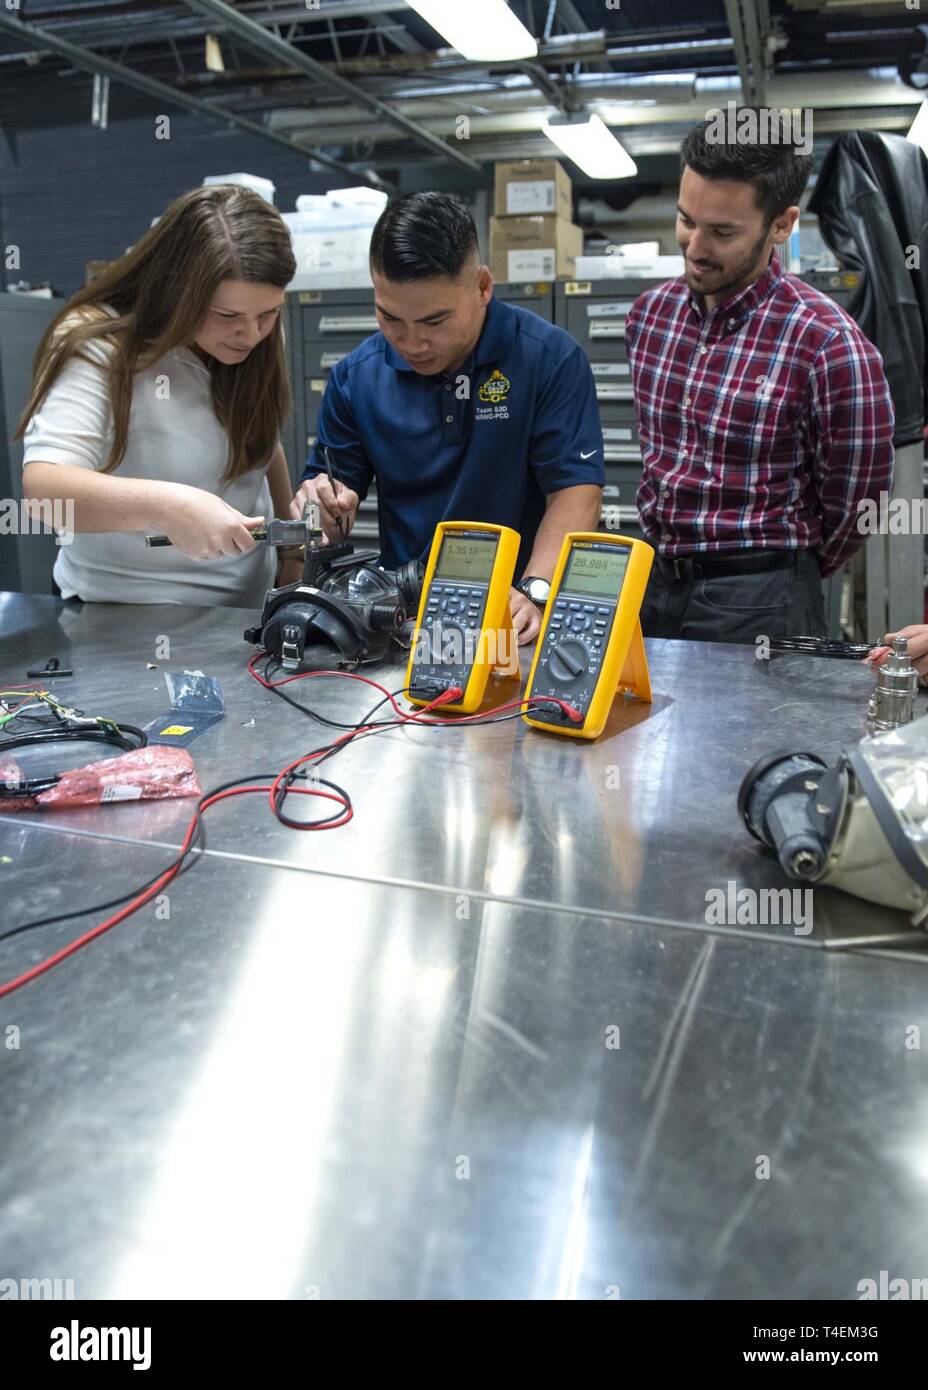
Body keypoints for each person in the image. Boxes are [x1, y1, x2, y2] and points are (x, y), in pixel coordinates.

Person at [624, 110, 896, 644]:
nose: (695, 248)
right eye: (686, 220)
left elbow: (858, 504)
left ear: (781, 224)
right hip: (651, 583)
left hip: (761, 599)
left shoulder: (828, 346)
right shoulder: (649, 316)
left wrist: (786, 572)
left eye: (722, 231)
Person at [290, 191, 605, 643]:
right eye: (389, 317)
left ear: (481, 287)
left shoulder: (549, 360)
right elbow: (331, 495)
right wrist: (321, 509)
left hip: (515, 616)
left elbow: (576, 493)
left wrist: (535, 591)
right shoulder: (354, 379)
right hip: (406, 623)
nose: (411, 342)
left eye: (435, 322)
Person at [19, 184, 303, 606]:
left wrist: (293, 548)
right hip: (123, 618)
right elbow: (45, 491)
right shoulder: (101, 344)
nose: (252, 333)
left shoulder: (254, 333)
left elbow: (261, 439)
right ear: (179, 293)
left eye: (268, 313)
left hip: (243, 613)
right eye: (227, 316)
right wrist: (170, 506)